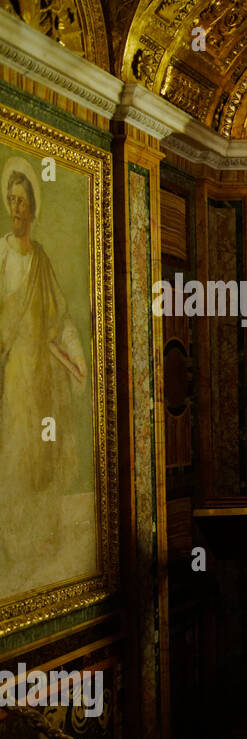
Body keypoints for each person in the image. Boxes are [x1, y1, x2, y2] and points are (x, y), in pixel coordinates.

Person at [0, 160, 90, 591]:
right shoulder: (0, 254)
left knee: (41, 456)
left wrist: (77, 359)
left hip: (41, 378)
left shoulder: (41, 259)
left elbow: (61, 317)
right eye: (11, 201)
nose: (16, 209)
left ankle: (40, 544)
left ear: (33, 209)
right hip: (11, 373)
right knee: (14, 456)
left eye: (22, 202)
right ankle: (12, 548)